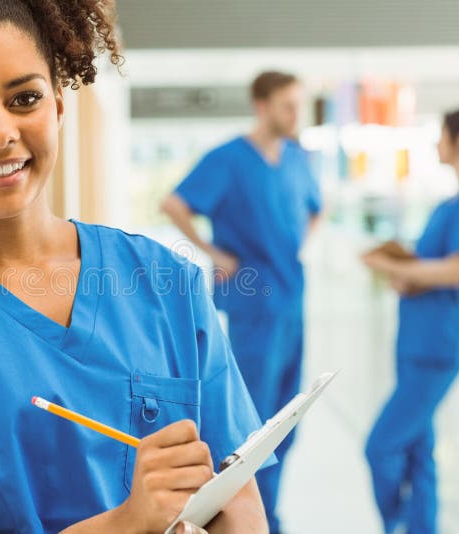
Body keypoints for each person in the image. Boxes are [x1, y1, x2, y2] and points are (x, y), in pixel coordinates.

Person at [0, 1, 275, 533]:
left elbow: (238, 500)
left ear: (59, 107)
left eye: (25, 99)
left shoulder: (164, 280)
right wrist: (126, 523)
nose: (0, 131)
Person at [161, 71, 322, 533]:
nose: (296, 115)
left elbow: (317, 207)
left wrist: (298, 246)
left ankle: (270, 513)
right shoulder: (229, 159)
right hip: (253, 306)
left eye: (299, 104)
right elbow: (173, 204)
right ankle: (253, 518)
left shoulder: (296, 158)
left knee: (290, 421)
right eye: (287, 105)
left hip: (292, 300)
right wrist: (214, 253)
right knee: (254, 428)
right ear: (261, 105)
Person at [362, 110, 459, 534]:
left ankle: (400, 523)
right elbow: (431, 266)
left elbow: (457, 269)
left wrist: (396, 267)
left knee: (381, 446)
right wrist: (401, 272)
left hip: (438, 344)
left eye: (441, 135)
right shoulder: (449, 204)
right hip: (416, 342)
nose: (436, 144)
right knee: (418, 451)